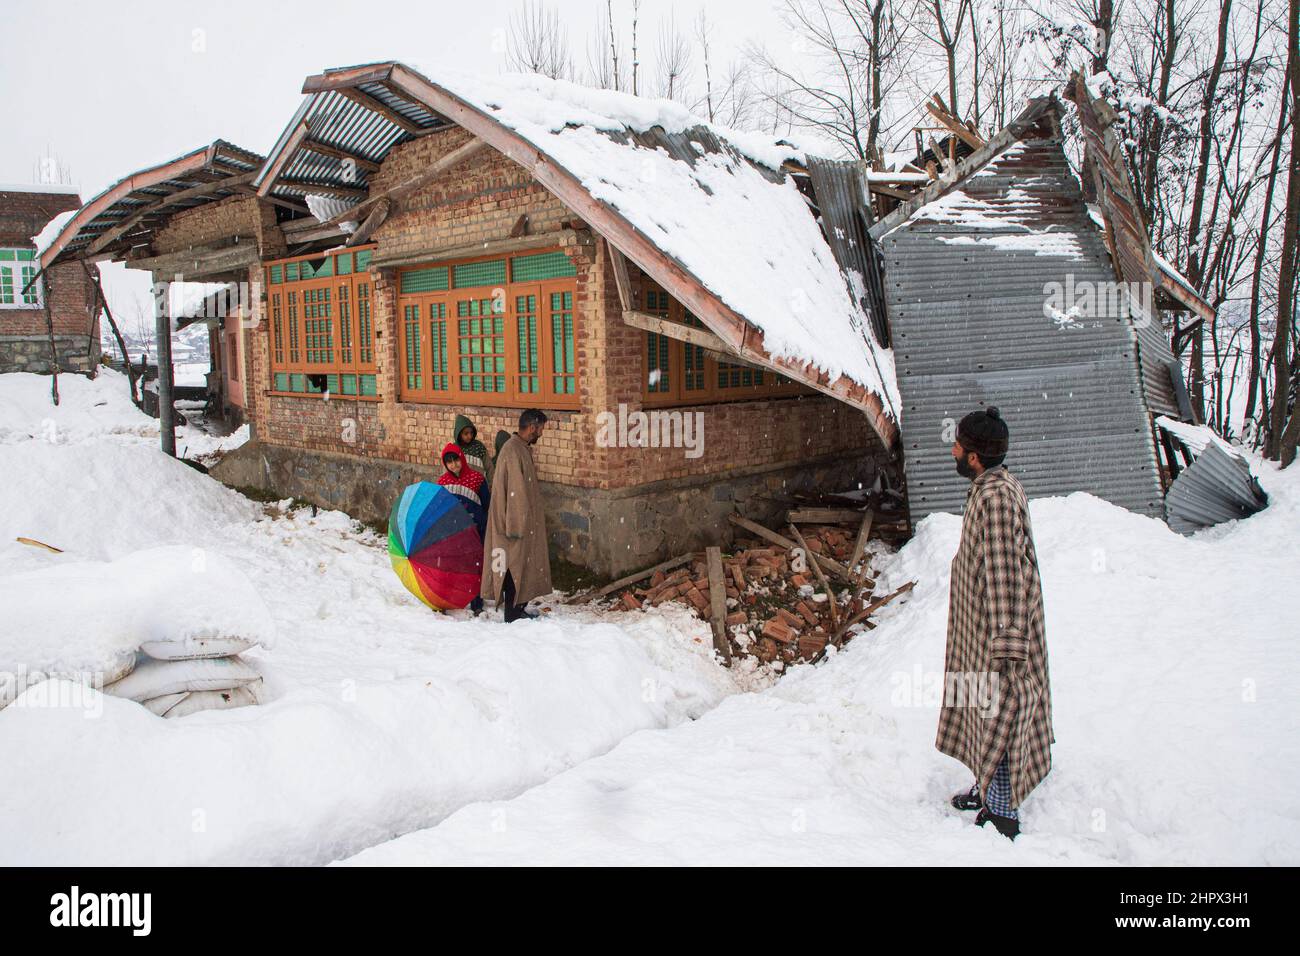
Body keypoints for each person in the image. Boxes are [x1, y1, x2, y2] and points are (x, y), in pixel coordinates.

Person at [938, 406, 1053, 840]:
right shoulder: (989, 486)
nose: (952, 449)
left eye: (959, 445)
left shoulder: (997, 498)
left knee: (1002, 706)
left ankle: (1002, 808)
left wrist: (1008, 640)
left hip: (999, 632)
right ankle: (986, 784)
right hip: (979, 629)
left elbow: (1005, 570)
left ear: (974, 457)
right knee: (978, 705)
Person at [480, 409, 552, 623]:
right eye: (540, 429)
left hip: (519, 523)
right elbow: (515, 492)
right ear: (532, 427)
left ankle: (518, 607)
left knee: (522, 564)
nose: (541, 433)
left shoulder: (520, 448)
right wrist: (516, 527)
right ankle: (512, 613)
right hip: (513, 525)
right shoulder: (512, 450)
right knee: (514, 566)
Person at [436, 442, 490, 615]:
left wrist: (484, 523)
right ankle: (448, 598)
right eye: (449, 462)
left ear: (462, 458)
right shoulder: (443, 482)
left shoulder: (477, 478)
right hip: (454, 532)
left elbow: (486, 503)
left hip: (475, 529)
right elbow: (439, 507)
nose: (454, 465)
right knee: (451, 565)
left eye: (456, 460)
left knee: (475, 565)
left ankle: (476, 602)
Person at [453, 414, 493, 485]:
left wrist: (491, 484)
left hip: (479, 485)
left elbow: (489, 467)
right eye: (466, 433)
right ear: (459, 434)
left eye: (471, 433)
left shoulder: (478, 447)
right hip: (462, 486)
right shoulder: (454, 449)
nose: (470, 436)